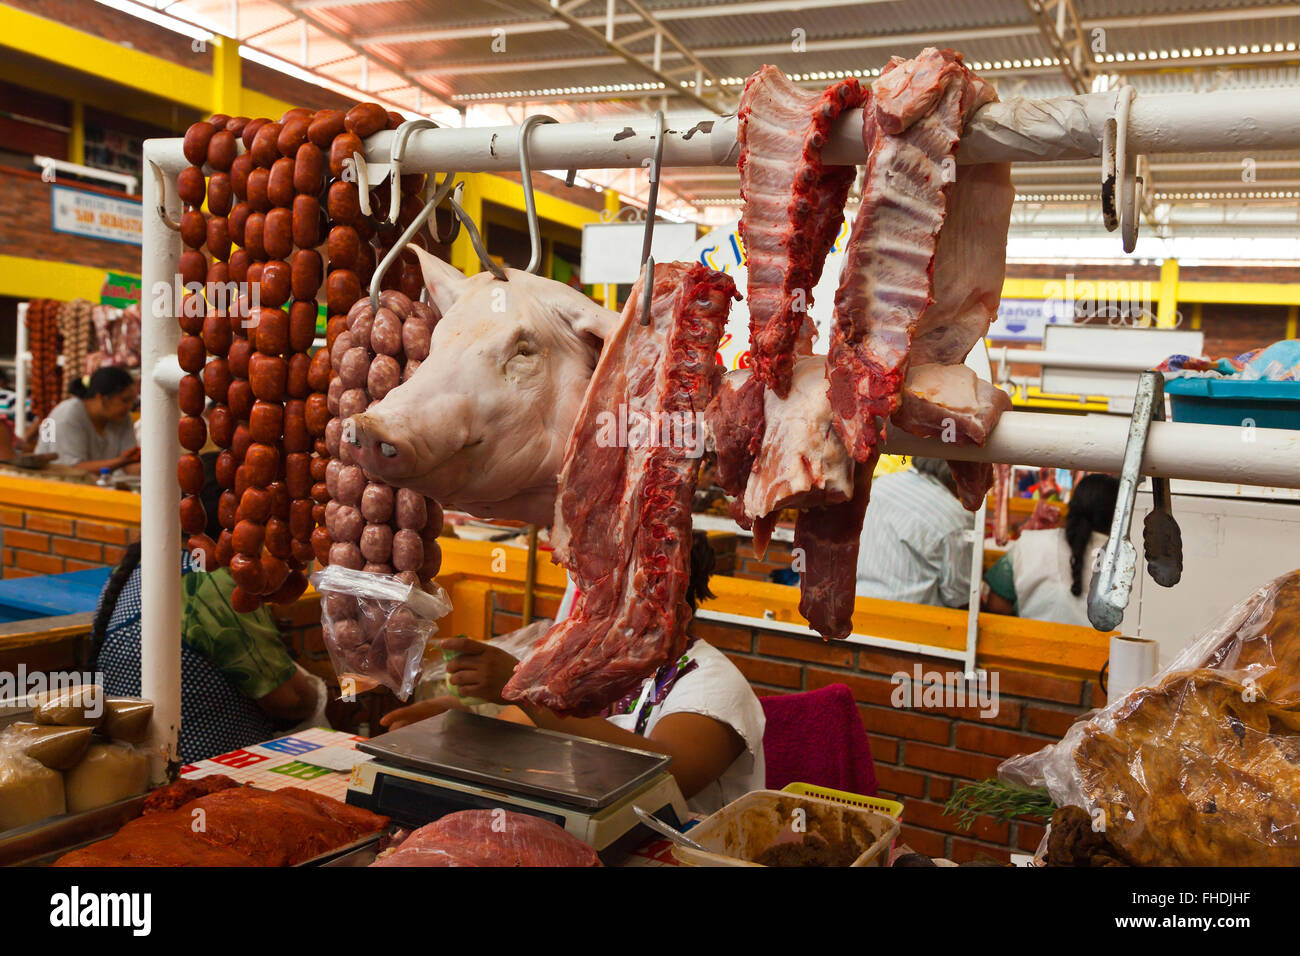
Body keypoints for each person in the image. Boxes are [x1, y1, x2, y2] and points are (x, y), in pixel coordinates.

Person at [382, 534, 766, 816]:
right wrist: (450, 721)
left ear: (670, 598)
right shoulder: (583, 663)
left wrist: (519, 689)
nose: (592, 602)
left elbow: (666, 778)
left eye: (616, 589)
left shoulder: (713, 682)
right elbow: (519, 731)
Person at [90, 454, 321, 763]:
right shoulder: (211, 585)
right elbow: (291, 701)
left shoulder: (141, 566)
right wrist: (321, 693)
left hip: (130, 764)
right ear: (235, 522)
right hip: (201, 770)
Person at [982, 473, 1120, 627]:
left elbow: (997, 605)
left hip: (1027, 645)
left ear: (1072, 506)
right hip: (1101, 650)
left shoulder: (1029, 543)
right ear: (1117, 516)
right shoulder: (1124, 559)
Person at [854, 457, 972, 608]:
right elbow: (958, 595)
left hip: (858, 606)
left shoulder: (880, 485)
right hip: (911, 622)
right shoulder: (955, 516)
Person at [34, 367, 141, 475]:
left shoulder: (122, 418)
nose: (130, 406)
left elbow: (130, 465)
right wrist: (121, 461)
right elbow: (71, 468)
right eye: (125, 400)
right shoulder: (68, 415)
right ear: (102, 398)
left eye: (132, 401)